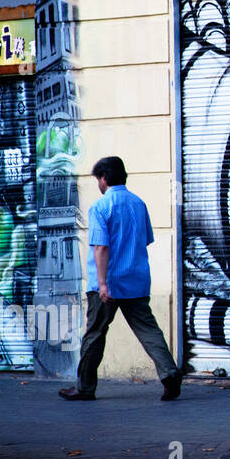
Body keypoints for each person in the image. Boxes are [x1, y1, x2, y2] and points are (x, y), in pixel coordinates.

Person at [59, 157, 183, 402]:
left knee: (95, 333)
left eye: (97, 179)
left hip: (108, 284)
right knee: (148, 330)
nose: (98, 183)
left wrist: (103, 283)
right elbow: (145, 239)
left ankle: (84, 388)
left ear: (104, 178)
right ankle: (170, 373)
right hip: (136, 280)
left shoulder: (101, 207)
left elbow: (101, 248)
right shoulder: (139, 203)